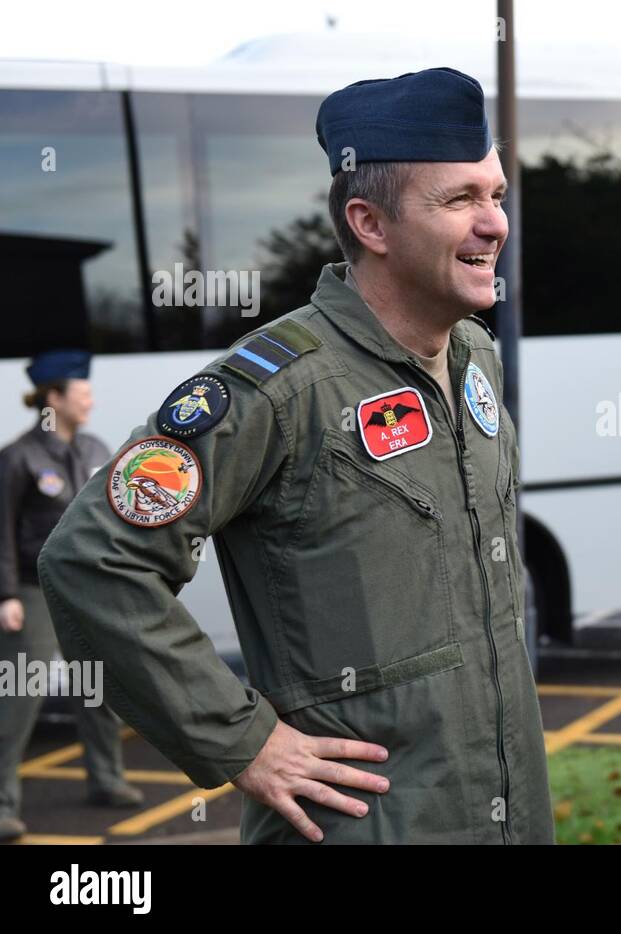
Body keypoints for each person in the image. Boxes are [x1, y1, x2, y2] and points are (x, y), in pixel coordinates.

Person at [39, 68, 553, 844]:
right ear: (370, 224)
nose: (495, 224)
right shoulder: (277, 389)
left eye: (496, 194)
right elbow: (91, 564)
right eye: (460, 201)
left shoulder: (475, 355)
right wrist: (241, 740)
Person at [0, 350, 143, 841]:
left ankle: (107, 780)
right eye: (82, 393)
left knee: (95, 689)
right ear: (53, 398)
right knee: (20, 698)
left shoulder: (93, 447)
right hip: (30, 589)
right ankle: (2, 805)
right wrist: (5, 595)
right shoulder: (17, 457)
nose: (91, 401)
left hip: (82, 587)